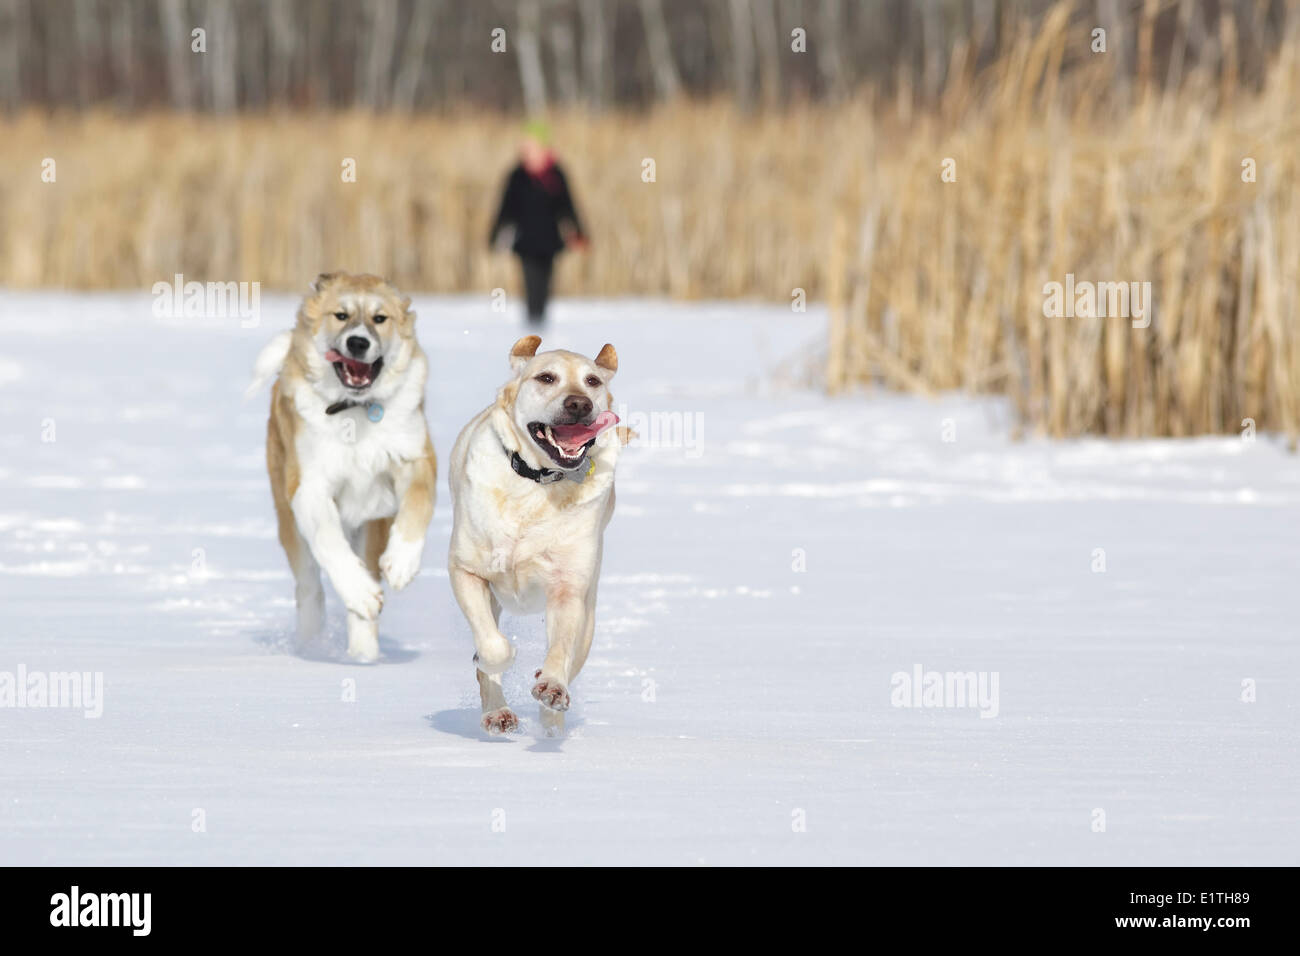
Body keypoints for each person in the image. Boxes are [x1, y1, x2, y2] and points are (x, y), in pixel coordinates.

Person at [488, 121, 588, 323]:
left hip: (549, 240)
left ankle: (541, 320)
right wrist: (495, 235)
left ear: (543, 147)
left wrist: (579, 233)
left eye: (531, 146)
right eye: (525, 146)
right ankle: (532, 320)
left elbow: (567, 207)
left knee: (546, 282)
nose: (527, 151)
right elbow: (505, 209)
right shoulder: (517, 176)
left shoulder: (556, 175)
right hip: (526, 242)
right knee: (530, 281)